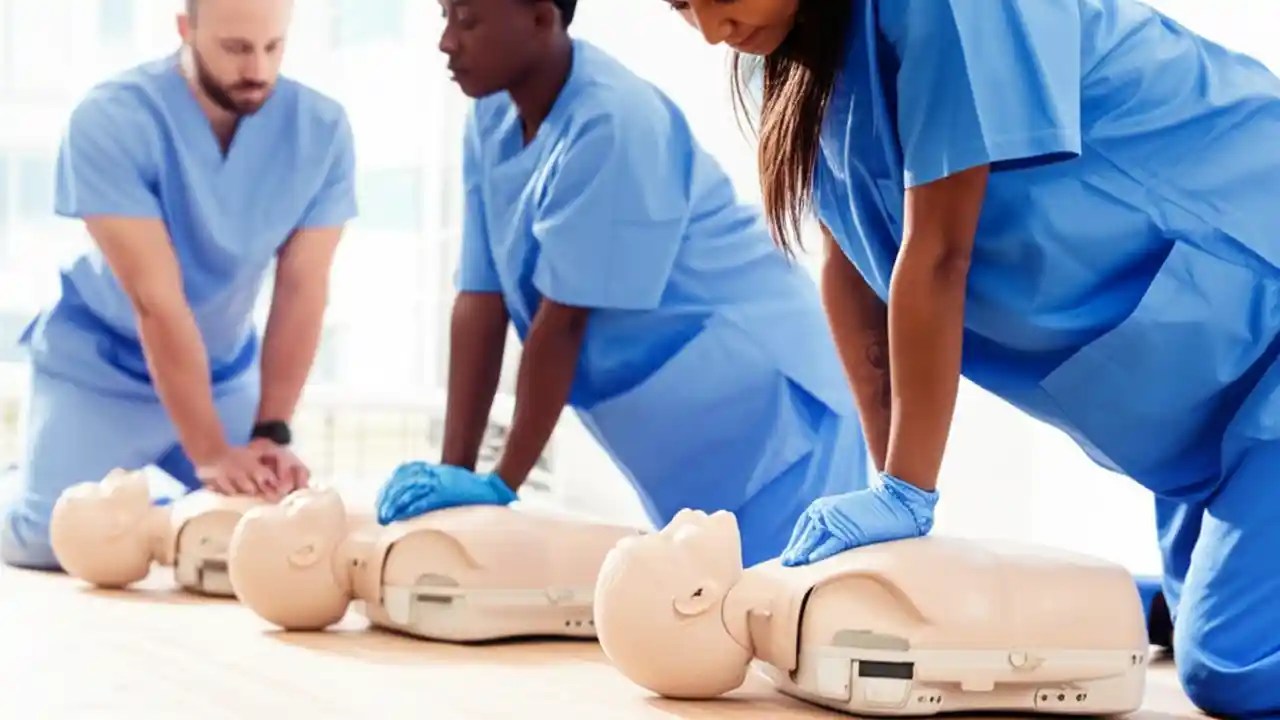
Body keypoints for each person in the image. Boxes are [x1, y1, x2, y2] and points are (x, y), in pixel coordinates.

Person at [668, 0, 1280, 715]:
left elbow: (936, 256)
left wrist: (909, 488)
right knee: (1153, 624)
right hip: (1203, 410)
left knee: (1231, 669)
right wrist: (890, 507)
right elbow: (858, 269)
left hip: (1260, 326)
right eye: (679, 5)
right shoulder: (790, 56)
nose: (711, 30)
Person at [372, 0, 872, 568]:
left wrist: (502, 483)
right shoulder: (489, 120)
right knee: (697, 613)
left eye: (466, 20)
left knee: (783, 618)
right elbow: (480, 305)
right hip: (682, 434)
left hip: (775, 408)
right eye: (444, 16)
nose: (446, 42)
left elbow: (561, 325)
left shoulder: (612, 119)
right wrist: (455, 475)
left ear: (541, 18)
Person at [2, 0, 357, 570]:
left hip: (222, 374)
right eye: (237, 48)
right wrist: (212, 453)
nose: (258, 70)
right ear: (185, 30)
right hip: (102, 372)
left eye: (274, 47)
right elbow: (156, 301)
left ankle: (157, 509)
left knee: (264, 532)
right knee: (53, 540)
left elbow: (303, 289)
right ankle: (32, 486)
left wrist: (270, 431)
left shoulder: (321, 129)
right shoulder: (111, 118)